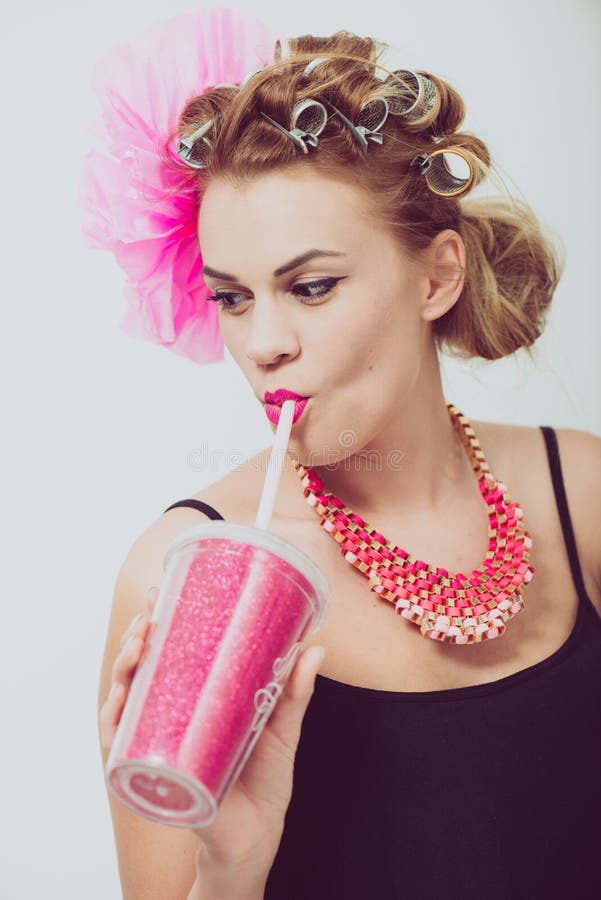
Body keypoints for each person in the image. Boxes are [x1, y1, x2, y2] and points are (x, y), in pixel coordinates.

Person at [85, 10, 601, 900]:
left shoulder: (582, 492)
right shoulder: (186, 578)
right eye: (233, 298)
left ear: (436, 276)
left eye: (311, 286)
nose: (263, 343)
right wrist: (230, 866)